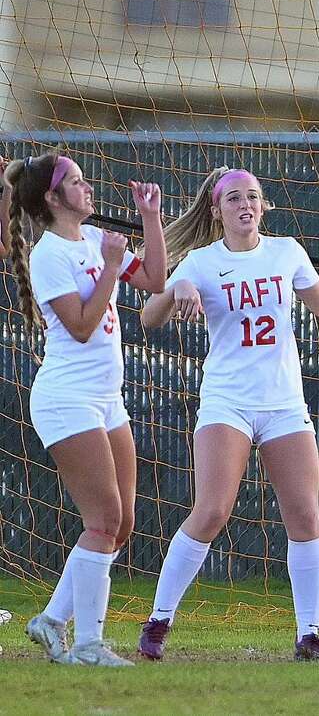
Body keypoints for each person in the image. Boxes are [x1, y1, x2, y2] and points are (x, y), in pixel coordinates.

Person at [136, 167, 319, 662]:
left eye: (252, 197)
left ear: (263, 206)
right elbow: (148, 316)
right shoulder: (202, 263)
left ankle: (308, 636)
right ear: (216, 209)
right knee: (212, 511)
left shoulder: (286, 250)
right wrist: (173, 292)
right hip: (228, 402)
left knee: (306, 515)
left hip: (284, 403)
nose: (244, 204)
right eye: (233, 198)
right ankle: (157, 623)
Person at [8, 153, 166, 666]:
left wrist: (149, 219)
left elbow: (157, 281)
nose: (86, 186)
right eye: (75, 181)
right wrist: (114, 268)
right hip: (66, 398)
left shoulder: (98, 240)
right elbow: (80, 325)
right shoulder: (49, 253)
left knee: (122, 524)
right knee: (104, 518)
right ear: (53, 200)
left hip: (106, 399)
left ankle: (51, 621)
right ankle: (89, 645)